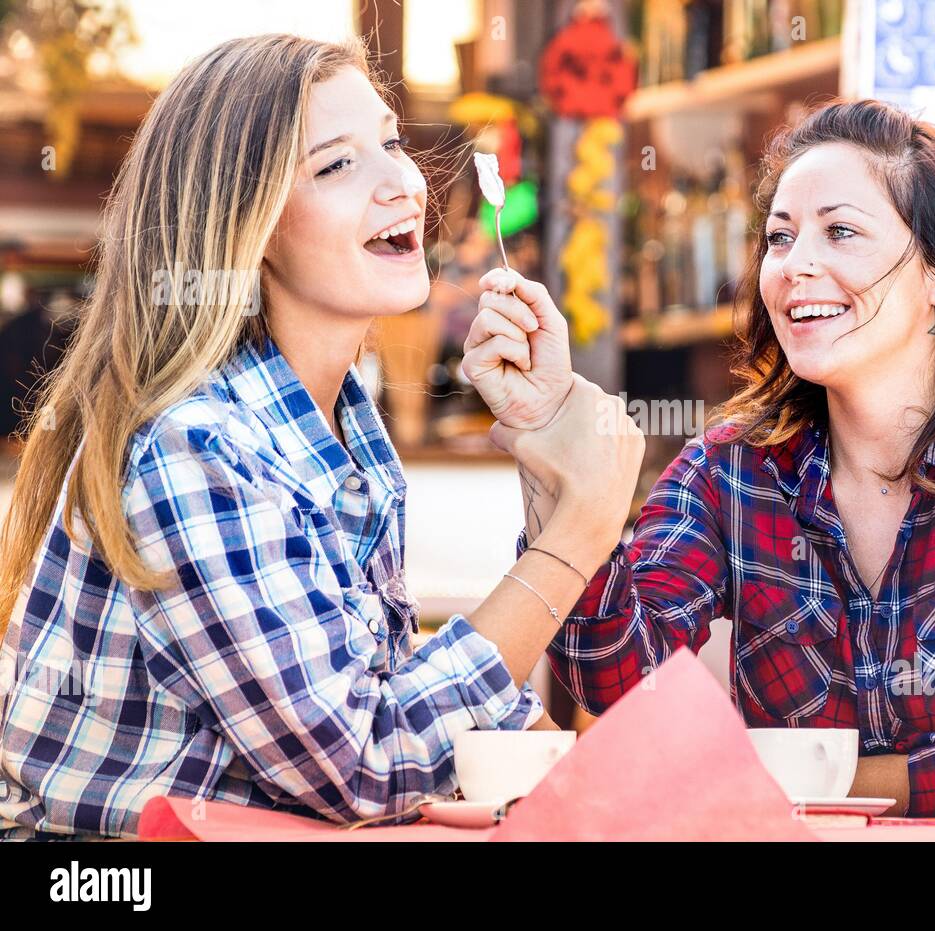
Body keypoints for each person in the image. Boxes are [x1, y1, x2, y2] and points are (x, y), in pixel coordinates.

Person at [0, 34, 642, 840]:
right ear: (248, 224)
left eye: (393, 142)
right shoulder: (196, 446)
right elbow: (361, 761)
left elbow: (388, 687)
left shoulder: (341, 423)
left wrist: (550, 451)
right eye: (336, 165)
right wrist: (578, 530)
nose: (402, 183)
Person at [469, 100, 935, 819]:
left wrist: (779, 778)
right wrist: (545, 444)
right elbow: (614, 677)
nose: (795, 266)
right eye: (780, 238)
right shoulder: (731, 468)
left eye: (841, 232)